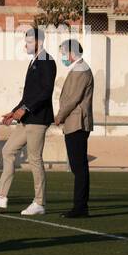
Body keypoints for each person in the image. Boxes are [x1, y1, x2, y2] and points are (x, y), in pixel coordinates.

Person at [0, 27, 56, 216]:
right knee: (8, 150)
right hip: (26, 119)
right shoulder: (34, 62)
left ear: (39, 42)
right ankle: (1, 195)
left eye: (28, 41)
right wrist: (14, 113)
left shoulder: (47, 61)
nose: (25, 45)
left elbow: (45, 93)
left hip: (38, 119)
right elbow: (28, 95)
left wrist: (25, 109)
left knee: (35, 159)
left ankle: (39, 203)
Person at [53, 40, 94, 218]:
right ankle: (80, 205)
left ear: (72, 52)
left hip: (77, 123)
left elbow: (73, 99)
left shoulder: (81, 70)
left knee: (79, 167)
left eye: (64, 52)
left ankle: (80, 207)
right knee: (78, 167)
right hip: (73, 123)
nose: (62, 56)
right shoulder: (78, 69)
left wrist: (60, 115)